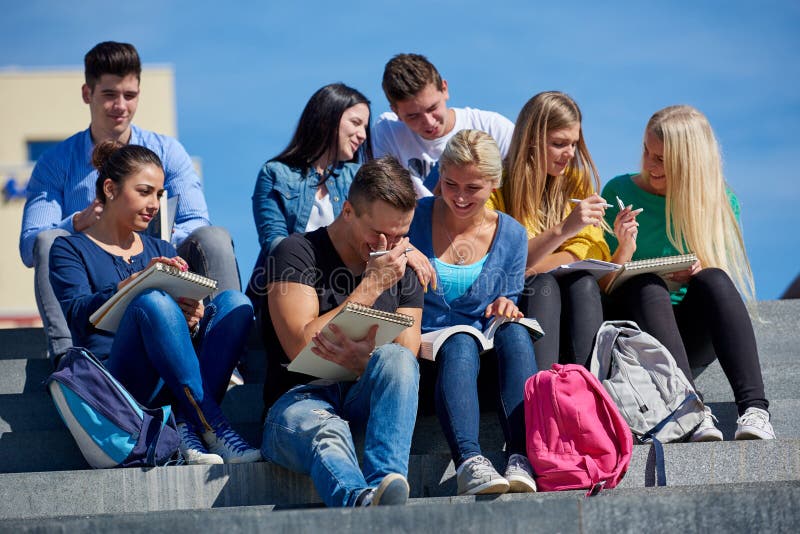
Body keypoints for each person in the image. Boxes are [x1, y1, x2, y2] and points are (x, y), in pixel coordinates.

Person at [19, 41, 240, 366]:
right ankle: (68, 356)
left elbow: (196, 221)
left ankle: (223, 354)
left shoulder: (168, 151)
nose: (120, 105)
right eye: (109, 94)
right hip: (91, 274)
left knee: (215, 237)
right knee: (49, 239)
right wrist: (79, 222)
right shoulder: (55, 162)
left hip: (157, 260)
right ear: (87, 94)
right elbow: (30, 245)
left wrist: (157, 243)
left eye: (130, 95)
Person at [49, 141, 261, 464]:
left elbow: (180, 324)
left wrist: (193, 317)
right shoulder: (69, 249)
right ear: (110, 189)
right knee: (153, 303)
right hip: (120, 379)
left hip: (174, 374)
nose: (154, 204)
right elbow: (78, 315)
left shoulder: (160, 247)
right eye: (145, 192)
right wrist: (136, 284)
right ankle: (214, 428)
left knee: (234, 303)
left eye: (160, 195)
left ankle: (186, 425)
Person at [602, 105, 775, 441]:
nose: (650, 165)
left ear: (689, 161)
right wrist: (624, 249)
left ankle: (755, 409)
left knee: (714, 278)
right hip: (640, 330)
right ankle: (691, 411)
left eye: (662, 159)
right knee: (647, 283)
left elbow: (720, 277)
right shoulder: (618, 193)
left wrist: (701, 267)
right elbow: (602, 285)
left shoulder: (719, 199)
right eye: (647, 152)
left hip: (694, 329)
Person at [260, 157, 424, 507]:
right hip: (300, 401)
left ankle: (385, 484)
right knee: (328, 429)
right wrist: (371, 286)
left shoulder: (402, 261)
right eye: (379, 232)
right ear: (348, 211)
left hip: (361, 397)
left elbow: (406, 354)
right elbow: (301, 347)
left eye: (400, 235)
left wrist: (363, 364)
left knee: (395, 358)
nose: (389, 244)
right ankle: (363, 504)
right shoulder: (295, 252)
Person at [408, 130, 538, 495]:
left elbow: (507, 297)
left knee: (514, 330)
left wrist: (506, 305)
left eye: (473, 188)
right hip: (426, 361)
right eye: (450, 184)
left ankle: (520, 456)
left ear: (494, 184)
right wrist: (402, 251)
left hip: (481, 369)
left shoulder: (512, 235)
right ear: (440, 174)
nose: (460, 197)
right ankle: (469, 460)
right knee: (460, 340)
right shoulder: (413, 218)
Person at [487, 91, 638, 369]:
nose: (569, 153)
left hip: (571, 307)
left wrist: (539, 263)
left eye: (574, 144)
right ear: (531, 139)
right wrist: (564, 231)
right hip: (513, 310)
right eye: (559, 143)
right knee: (544, 284)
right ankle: (542, 396)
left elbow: (594, 249)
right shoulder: (497, 186)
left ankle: (591, 393)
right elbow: (502, 263)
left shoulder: (575, 182)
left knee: (581, 282)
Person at [252, 83, 372, 256]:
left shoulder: (359, 176)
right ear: (326, 119)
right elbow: (275, 243)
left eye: (365, 127)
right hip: (290, 276)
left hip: (346, 279)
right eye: (355, 123)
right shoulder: (275, 174)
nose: (363, 135)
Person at [373, 53, 514, 196]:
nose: (429, 122)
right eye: (413, 116)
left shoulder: (492, 127)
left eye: (432, 108)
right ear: (396, 112)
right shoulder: (388, 130)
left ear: (444, 89)